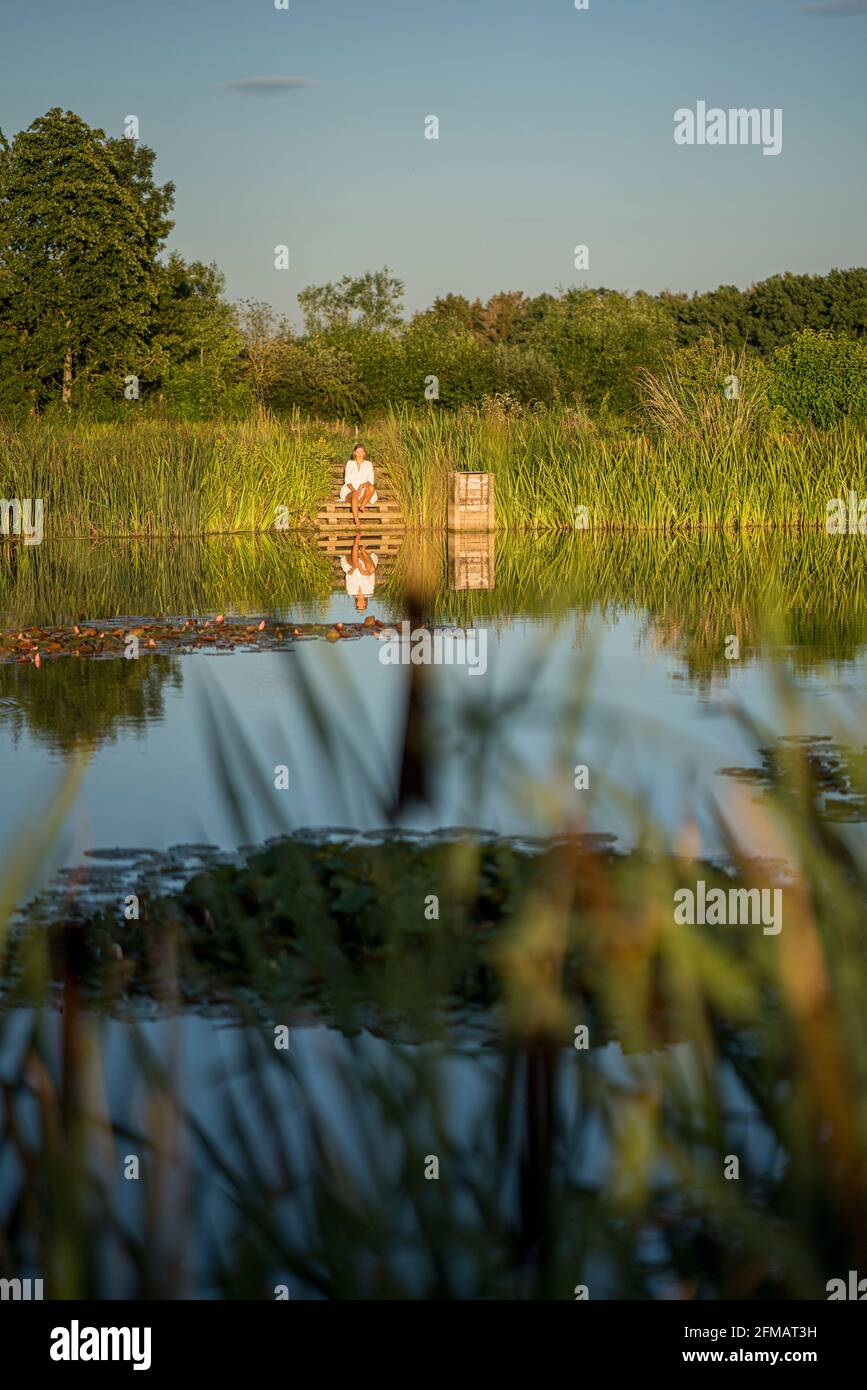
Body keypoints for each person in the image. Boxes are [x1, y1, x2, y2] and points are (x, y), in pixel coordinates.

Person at [339, 443, 378, 526]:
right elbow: (347, 480)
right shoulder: (350, 463)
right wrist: (354, 490)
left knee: (371, 488)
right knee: (355, 495)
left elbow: (370, 481)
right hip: (350, 489)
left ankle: (362, 505)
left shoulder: (368, 464)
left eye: (361, 452)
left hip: (364, 492)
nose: (359, 454)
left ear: (364, 453)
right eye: (357, 452)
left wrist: (361, 487)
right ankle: (356, 519)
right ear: (354, 453)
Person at [340, 534, 378, 612]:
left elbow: (349, 575)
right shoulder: (370, 591)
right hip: (365, 566)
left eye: (359, 606)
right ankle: (362, 551)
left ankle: (357, 539)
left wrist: (356, 567)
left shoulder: (351, 592)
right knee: (372, 569)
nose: (361, 604)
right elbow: (371, 576)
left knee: (356, 562)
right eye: (363, 606)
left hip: (351, 566)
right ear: (365, 603)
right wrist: (364, 571)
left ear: (356, 604)